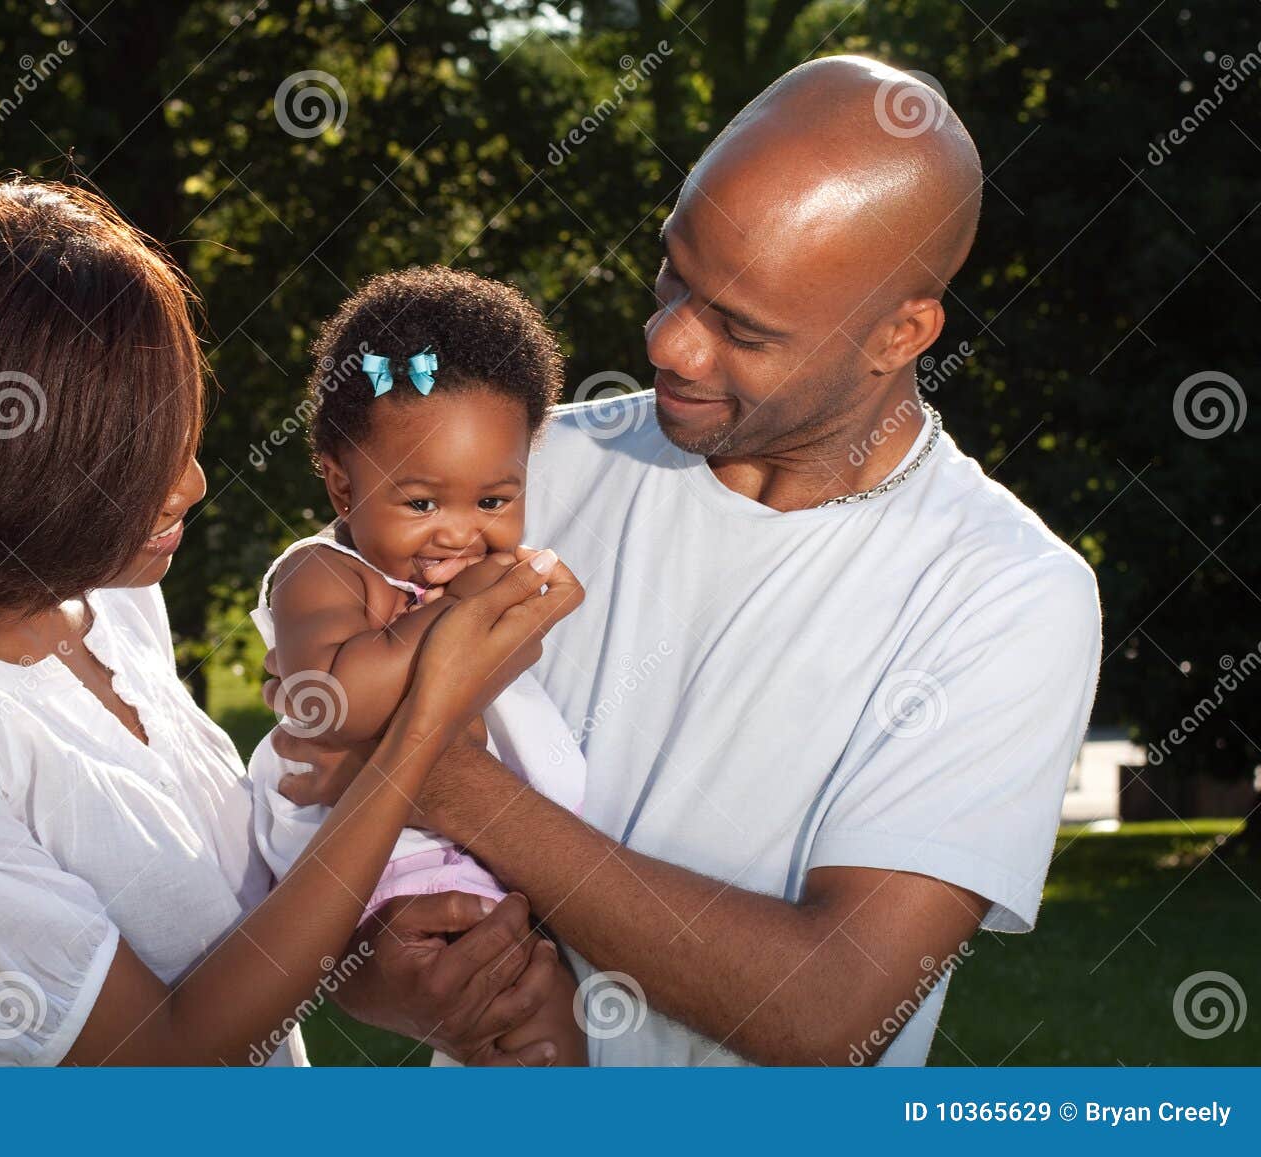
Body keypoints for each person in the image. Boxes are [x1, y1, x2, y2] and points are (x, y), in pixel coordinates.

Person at [271, 56, 1104, 1066]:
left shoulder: (1007, 594)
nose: (669, 341)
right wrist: (375, 972)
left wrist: (433, 771)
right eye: (674, 270)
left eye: (740, 328)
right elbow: (302, 790)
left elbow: (832, 1009)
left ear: (901, 333)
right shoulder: (514, 476)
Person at [0, 176, 583, 1066]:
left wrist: (372, 968)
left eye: (181, 435)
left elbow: (223, 922)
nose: (191, 485)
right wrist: (425, 723)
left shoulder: (101, 590)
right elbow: (158, 1067)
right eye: (136, 460)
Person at [248, 267, 589, 1064]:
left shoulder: (477, 580)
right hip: (376, 867)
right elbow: (331, 705)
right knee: (520, 1014)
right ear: (341, 485)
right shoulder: (323, 576)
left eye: (493, 502)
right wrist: (464, 613)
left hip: (473, 853)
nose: (459, 534)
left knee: (549, 1029)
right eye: (422, 503)